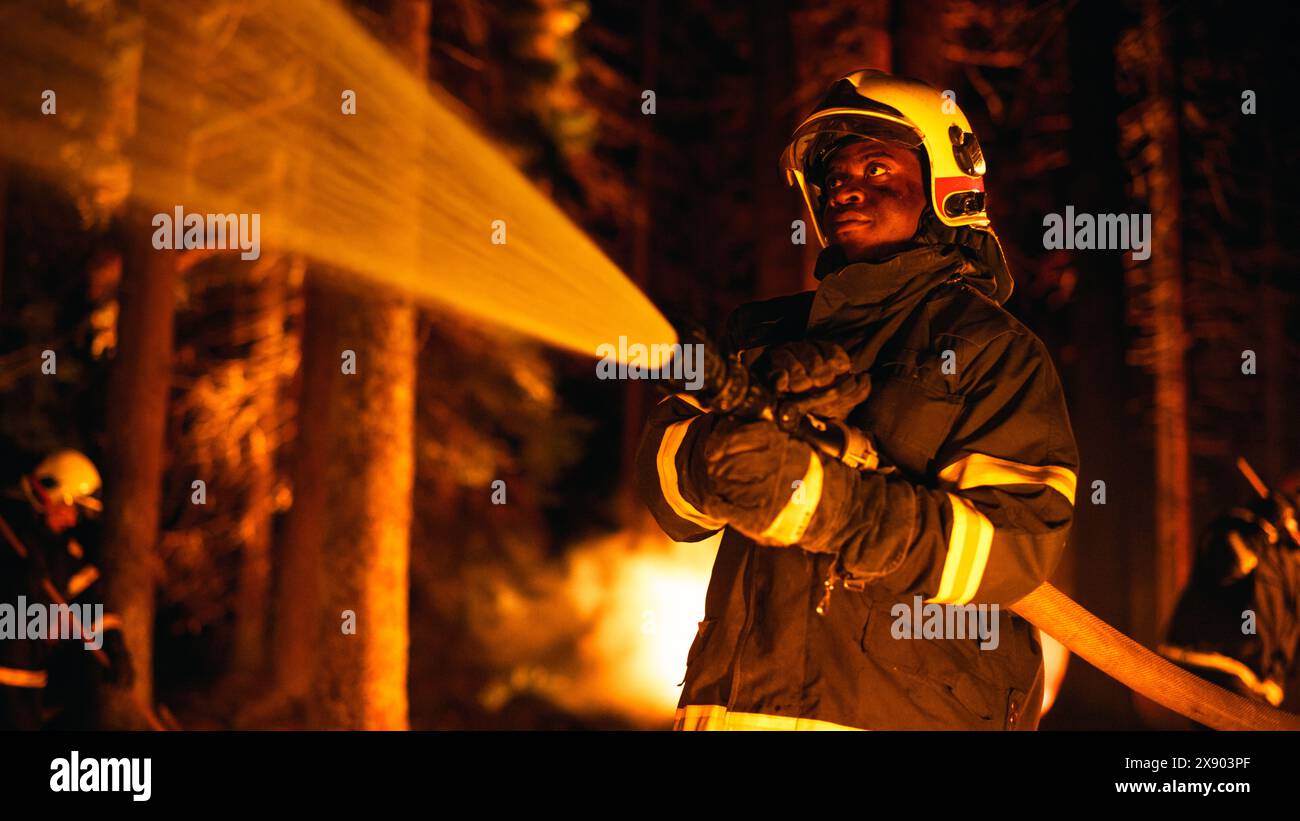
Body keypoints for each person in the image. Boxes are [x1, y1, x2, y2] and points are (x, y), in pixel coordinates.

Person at [637, 70, 1079, 730]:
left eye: (875, 166)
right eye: (833, 175)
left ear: (942, 186)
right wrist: (713, 453)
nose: (845, 186)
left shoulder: (996, 352)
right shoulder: (760, 337)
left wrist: (839, 509)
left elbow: (1012, 548)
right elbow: (668, 495)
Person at [0, 449, 132, 729]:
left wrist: (115, 647)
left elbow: (90, 604)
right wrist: (13, 576)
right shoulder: (8, 532)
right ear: (50, 495)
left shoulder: (64, 553)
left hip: (31, 685)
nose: (73, 520)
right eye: (71, 508)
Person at [1158, 475, 1300, 714]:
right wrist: (1262, 528)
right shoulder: (1242, 525)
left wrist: (1275, 681)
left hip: (1256, 688)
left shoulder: (1293, 569)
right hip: (1209, 665)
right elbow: (1225, 564)